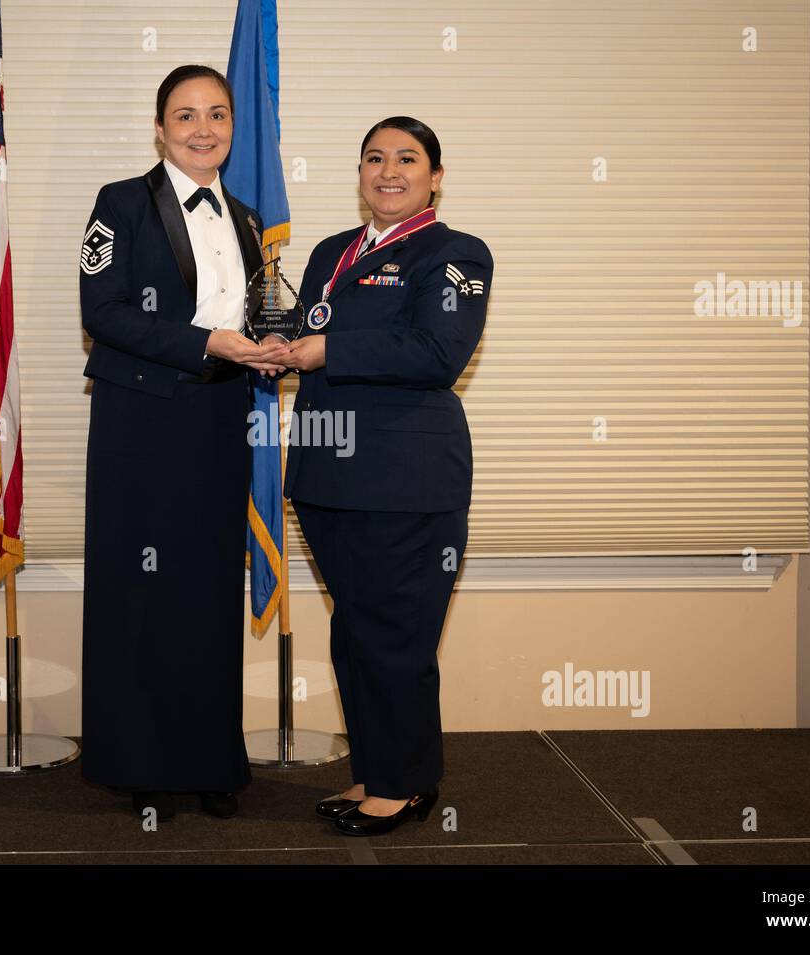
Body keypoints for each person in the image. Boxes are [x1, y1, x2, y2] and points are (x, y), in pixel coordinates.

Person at [77, 64, 288, 821]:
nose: (204, 129)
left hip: (221, 419)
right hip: (142, 423)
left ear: (233, 127)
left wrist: (265, 346)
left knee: (204, 592)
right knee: (139, 592)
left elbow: (253, 312)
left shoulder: (247, 215)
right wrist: (210, 344)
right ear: (161, 127)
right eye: (187, 115)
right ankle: (138, 759)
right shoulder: (121, 204)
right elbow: (103, 311)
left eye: (219, 114)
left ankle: (208, 762)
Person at [280, 116, 493, 836]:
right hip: (326, 474)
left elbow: (436, 352)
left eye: (407, 158)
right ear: (360, 172)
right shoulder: (330, 251)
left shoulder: (455, 254)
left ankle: (405, 785)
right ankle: (376, 767)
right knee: (356, 632)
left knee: (397, 633)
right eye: (375, 158)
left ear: (436, 176)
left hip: (406, 478)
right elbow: (307, 330)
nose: (388, 170)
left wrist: (324, 350)